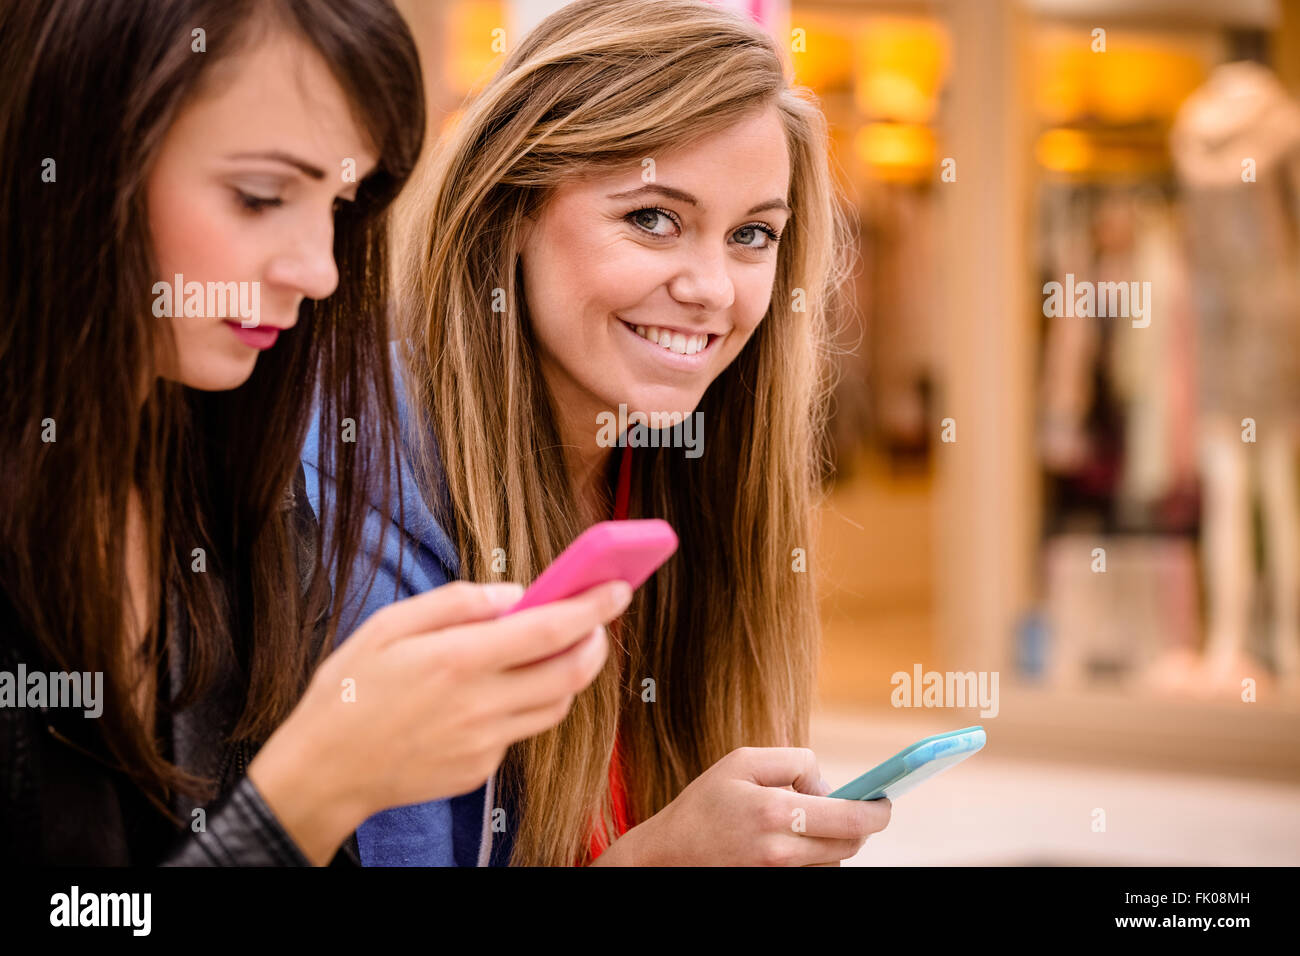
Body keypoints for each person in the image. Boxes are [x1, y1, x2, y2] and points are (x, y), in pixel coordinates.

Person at [0, 0, 626, 866]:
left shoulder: (241, 490)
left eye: (339, 205)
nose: (319, 270)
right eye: (259, 197)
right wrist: (313, 792)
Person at [306, 0, 891, 866]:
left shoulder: (675, 467)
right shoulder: (363, 479)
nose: (713, 290)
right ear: (509, 208)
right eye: (654, 219)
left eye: (752, 235)